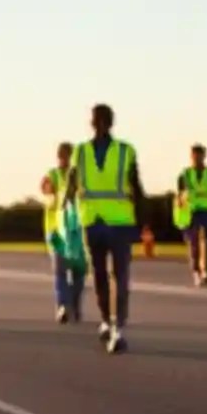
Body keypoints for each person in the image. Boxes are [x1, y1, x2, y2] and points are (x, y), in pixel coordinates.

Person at [62, 104, 148, 354]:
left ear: (111, 122)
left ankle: (117, 326)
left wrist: (144, 223)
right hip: (92, 223)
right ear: (91, 122)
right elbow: (71, 187)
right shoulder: (81, 152)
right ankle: (105, 319)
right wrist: (66, 219)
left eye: (104, 119)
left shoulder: (126, 151)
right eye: (97, 119)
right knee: (99, 276)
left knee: (120, 276)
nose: (100, 123)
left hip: (121, 223)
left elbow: (136, 186)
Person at [42, 142, 85, 324]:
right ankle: (63, 306)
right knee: (60, 272)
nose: (65, 159)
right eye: (63, 155)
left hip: (76, 232)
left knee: (78, 272)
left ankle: (74, 305)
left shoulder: (81, 176)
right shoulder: (52, 175)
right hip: (57, 231)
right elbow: (45, 189)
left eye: (68, 155)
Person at [176, 144, 207, 286]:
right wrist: (180, 212)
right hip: (191, 211)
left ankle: (206, 270)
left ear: (204, 156)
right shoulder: (185, 174)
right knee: (194, 241)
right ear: (191, 156)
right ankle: (197, 271)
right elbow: (179, 195)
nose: (196, 158)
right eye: (194, 155)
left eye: (199, 155)